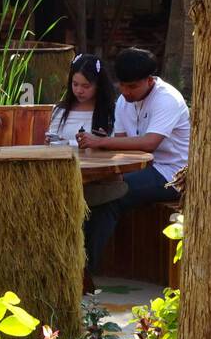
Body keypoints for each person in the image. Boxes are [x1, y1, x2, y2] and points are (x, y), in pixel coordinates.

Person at [79, 47, 189, 274]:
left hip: (174, 174)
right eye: (122, 85)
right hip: (143, 170)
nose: (126, 92)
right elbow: (122, 144)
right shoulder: (123, 101)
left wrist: (100, 143)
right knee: (90, 189)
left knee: (111, 196)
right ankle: (78, 265)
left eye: (132, 86)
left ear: (149, 81)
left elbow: (149, 143)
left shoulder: (168, 98)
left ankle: (84, 273)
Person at [48, 53, 116, 143]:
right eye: (75, 84)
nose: (79, 90)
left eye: (86, 86)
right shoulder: (60, 110)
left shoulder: (111, 111)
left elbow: (116, 143)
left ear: (99, 85)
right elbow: (53, 139)